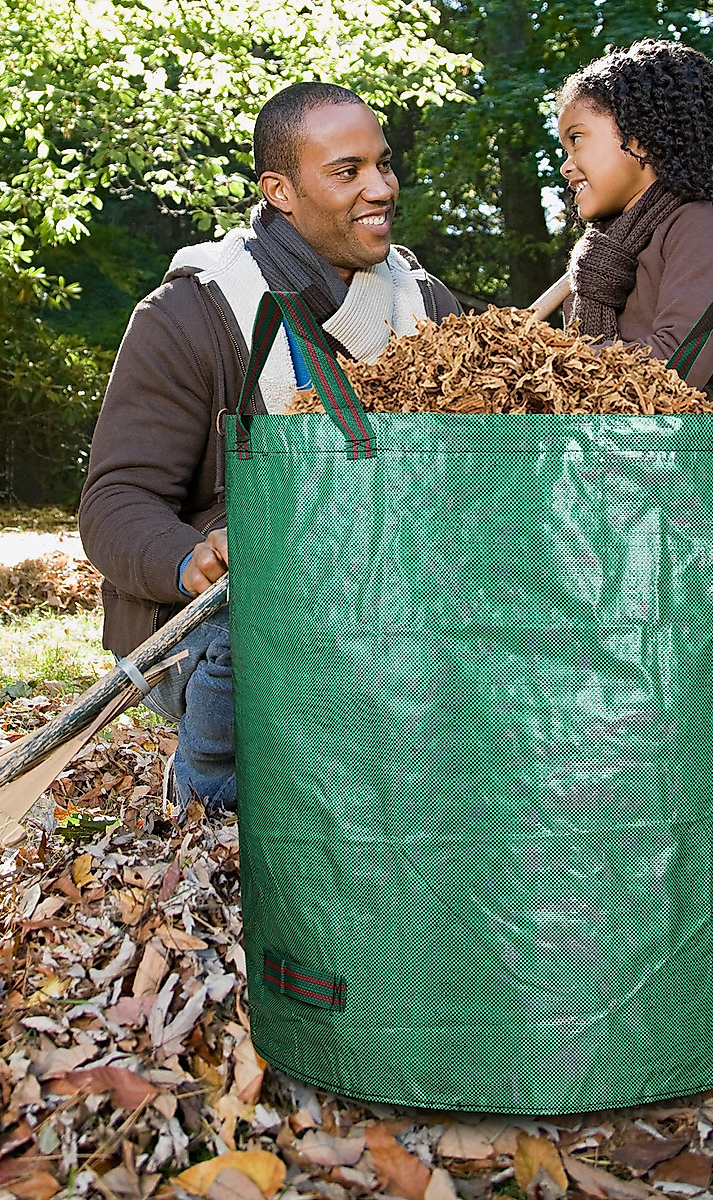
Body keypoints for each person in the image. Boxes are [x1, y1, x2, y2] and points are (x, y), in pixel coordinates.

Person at [79, 82, 460, 814]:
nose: (380, 187)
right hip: (215, 622)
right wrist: (190, 559)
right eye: (346, 172)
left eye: (383, 164)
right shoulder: (192, 313)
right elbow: (115, 501)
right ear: (280, 191)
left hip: (396, 601)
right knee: (267, 611)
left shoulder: (426, 305)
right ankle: (208, 796)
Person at [556, 39, 713, 399]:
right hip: (604, 448)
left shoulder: (705, 229)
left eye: (577, 139)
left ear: (639, 139)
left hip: (682, 450)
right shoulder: (603, 255)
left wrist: (550, 362)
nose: (566, 166)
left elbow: (676, 369)